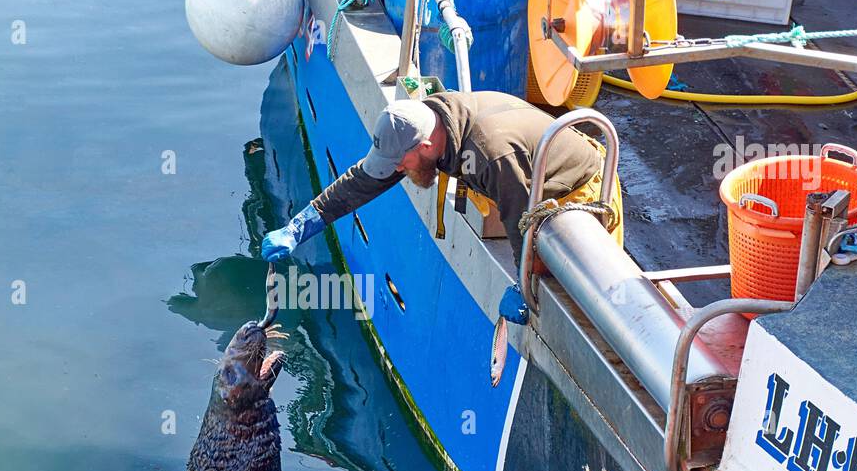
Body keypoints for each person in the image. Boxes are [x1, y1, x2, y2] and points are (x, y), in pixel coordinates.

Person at [260, 91, 622, 324]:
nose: (398, 170)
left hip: (577, 189)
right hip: (519, 174)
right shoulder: (434, 121)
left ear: (428, 144)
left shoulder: (490, 154)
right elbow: (366, 180)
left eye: (401, 161)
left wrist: (524, 287)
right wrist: (303, 223)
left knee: (593, 300)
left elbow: (522, 221)